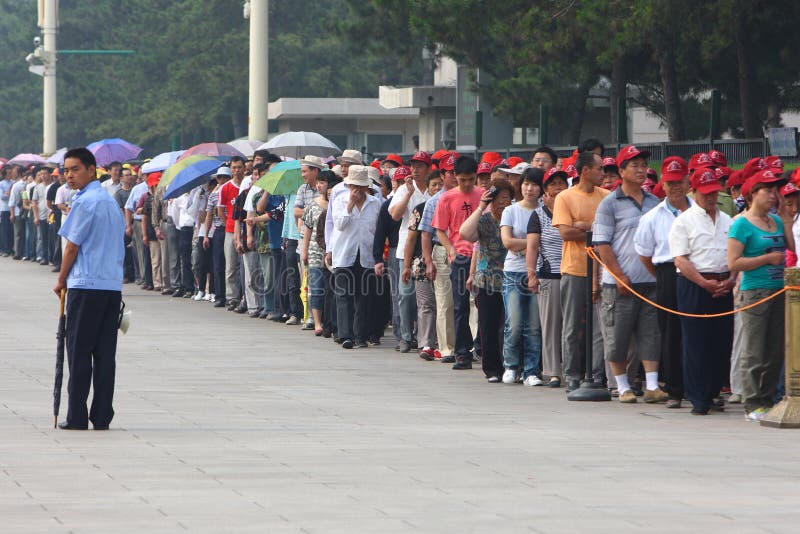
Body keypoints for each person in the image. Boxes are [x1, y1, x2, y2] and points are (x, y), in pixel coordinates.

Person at [53, 148, 125, 430]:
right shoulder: (109, 203)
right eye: (66, 170)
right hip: (110, 286)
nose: (69, 175)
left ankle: (77, 416)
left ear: (91, 169)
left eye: (75, 169)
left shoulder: (86, 202)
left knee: (79, 351)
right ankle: (102, 415)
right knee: (105, 354)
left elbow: (72, 246)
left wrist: (61, 280)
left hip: (86, 284)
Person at [593, 145, 669, 404]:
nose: (641, 170)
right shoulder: (609, 204)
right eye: (634, 165)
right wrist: (619, 275)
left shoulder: (654, 202)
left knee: (651, 334)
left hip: (650, 280)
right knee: (617, 336)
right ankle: (622, 386)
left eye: (643, 165)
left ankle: (651, 385)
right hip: (619, 284)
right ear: (621, 171)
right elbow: (602, 244)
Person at [728, 170, 795, 422]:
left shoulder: (776, 221)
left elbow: (791, 248)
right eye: (767, 190)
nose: (772, 195)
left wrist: (787, 219)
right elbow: (733, 262)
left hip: (779, 290)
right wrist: (766, 259)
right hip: (755, 291)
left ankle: (768, 399)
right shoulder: (741, 224)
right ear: (753, 193)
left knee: (775, 350)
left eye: (775, 190)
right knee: (754, 350)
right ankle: (752, 401)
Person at [669, 167, 734, 415]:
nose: (711, 197)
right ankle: (698, 397)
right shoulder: (683, 221)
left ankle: (713, 390)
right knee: (695, 342)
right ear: (693, 191)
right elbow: (681, 260)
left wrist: (730, 280)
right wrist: (703, 283)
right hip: (694, 284)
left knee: (721, 341)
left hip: (724, 283)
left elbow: (736, 254)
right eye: (705, 193)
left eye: (714, 192)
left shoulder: (728, 221)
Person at [634, 156, 691, 408]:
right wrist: (662, 277)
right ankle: (675, 389)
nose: (675, 187)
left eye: (679, 181)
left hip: (697, 273)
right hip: (667, 273)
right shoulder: (653, 217)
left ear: (688, 182)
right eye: (670, 182)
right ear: (663, 186)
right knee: (670, 333)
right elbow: (644, 254)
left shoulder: (701, 212)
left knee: (698, 332)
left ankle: (701, 387)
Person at [551, 151, 609, 392]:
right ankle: (572, 374)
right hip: (574, 268)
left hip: (603, 270)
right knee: (572, 326)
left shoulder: (606, 197)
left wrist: (583, 227)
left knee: (599, 326)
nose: (603, 174)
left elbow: (609, 232)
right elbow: (565, 233)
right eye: (599, 169)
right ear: (585, 170)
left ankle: (596, 374)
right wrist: (593, 231)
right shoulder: (565, 197)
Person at [432, 155, 484, 370]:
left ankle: (481, 346)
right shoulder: (446, 198)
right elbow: (439, 229)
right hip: (461, 256)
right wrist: (451, 250)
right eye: (462, 180)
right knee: (460, 306)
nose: (467, 184)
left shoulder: (483, 196)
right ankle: (462, 352)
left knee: (484, 304)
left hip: (482, 256)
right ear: (454, 176)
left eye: (471, 179)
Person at [461, 179, 514, 381]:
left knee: (510, 326)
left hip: (513, 279)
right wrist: (481, 206)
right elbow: (466, 234)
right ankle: (492, 369)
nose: (502, 203)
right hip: (487, 281)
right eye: (497, 199)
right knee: (488, 326)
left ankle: (510, 366)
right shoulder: (483, 219)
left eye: (506, 198)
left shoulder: (515, 216)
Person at [500, 168, 544, 386]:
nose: (529, 188)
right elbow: (507, 242)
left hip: (539, 272)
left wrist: (527, 247)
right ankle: (510, 366)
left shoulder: (546, 211)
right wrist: (534, 245)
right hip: (513, 271)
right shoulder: (510, 210)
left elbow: (547, 243)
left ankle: (532, 370)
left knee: (534, 325)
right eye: (526, 183)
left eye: (534, 184)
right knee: (514, 322)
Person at [331, 166, 381, 349]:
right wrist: (350, 205)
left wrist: (378, 257)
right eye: (354, 186)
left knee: (364, 297)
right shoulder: (340, 200)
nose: (357, 190)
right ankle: (346, 335)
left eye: (361, 186)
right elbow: (339, 224)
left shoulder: (375, 203)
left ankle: (360, 335)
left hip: (366, 255)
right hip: (345, 254)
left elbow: (377, 230)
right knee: (344, 296)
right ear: (349, 185)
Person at [527, 167, 568, 387]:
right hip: (548, 275)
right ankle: (553, 371)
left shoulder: (572, 210)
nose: (558, 187)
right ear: (546, 189)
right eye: (553, 183)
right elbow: (532, 247)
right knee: (551, 325)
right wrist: (531, 274)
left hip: (573, 273)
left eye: (562, 182)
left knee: (571, 327)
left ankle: (572, 369)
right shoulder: (538, 215)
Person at [389, 152, 432, 352]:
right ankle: (406, 336)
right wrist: (407, 192)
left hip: (429, 246)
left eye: (420, 166)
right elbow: (395, 216)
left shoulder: (434, 189)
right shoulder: (404, 189)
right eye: (413, 166)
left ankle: (424, 336)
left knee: (426, 297)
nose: (415, 170)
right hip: (406, 248)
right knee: (406, 295)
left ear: (429, 169)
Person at [402, 172, 444, 361]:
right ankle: (426, 343)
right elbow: (411, 239)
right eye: (434, 185)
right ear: (428, 188)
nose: (437, 188)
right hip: (420, 263)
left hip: (445, 260)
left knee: (444, 305)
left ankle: (443, 344)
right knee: (426, 304)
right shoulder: (420, 209)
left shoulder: (449, 206)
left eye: (440, 185)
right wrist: (407, 265)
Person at [302, 170, 334, 335]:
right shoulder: (313, 204)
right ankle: (317, 323)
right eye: (318, 183)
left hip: (333, 251)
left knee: (331, 288)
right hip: (315, 250)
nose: (319, 185)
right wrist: (304, 250)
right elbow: (307, 228)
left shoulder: (336, 203)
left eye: (323, 182)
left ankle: (330, 320)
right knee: (316, 287)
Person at [218, 157, 245, 310]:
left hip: (246, 230)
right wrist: (227, 223)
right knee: (231, 267)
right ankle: (232, 297)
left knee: (245, 267)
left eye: (239, 167)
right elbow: (221, 210)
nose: (236, 170)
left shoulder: (248, 184)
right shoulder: (225, 188)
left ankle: (244, 297)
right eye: (234, 167)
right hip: (230, 231)